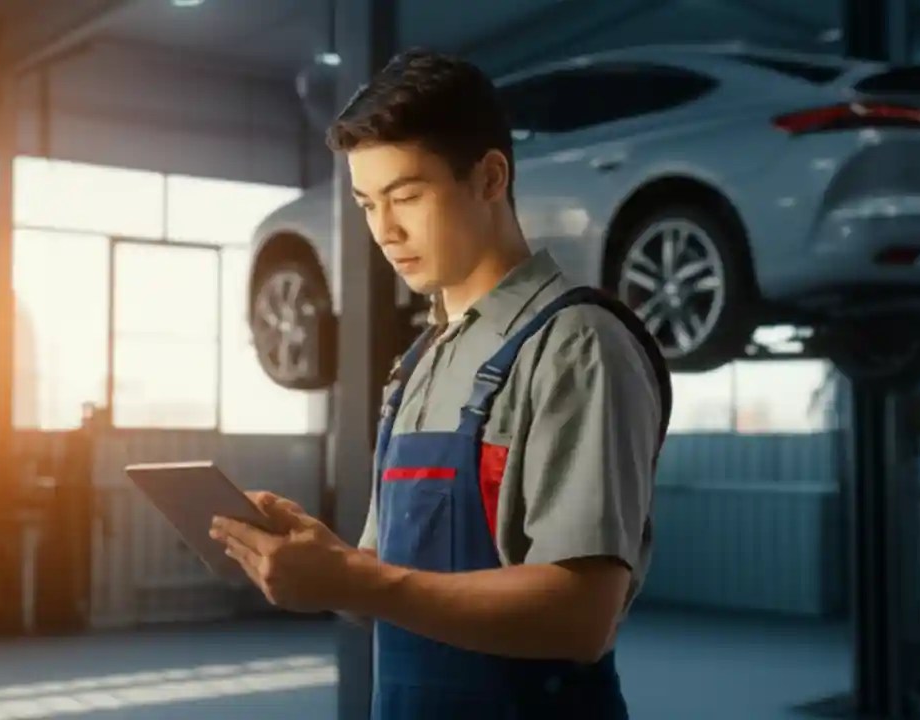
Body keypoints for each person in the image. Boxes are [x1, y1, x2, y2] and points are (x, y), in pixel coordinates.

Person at [210, 48, 671, 719]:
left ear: (489, 178)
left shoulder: (576, 346)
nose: (385, 231)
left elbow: (580, 616)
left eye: (407, 196)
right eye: (368, 204)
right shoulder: (419, 362)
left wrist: (359, 579)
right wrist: (324, 563)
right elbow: (388, 586)